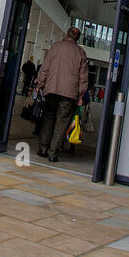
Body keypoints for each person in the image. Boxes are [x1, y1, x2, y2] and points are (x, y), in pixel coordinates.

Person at [35, 27, 88, 163]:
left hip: (52, 89)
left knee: (48, 117)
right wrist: (81, 95)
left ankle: (43, 148)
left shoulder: (55, 47)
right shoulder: (80, 53)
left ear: (66, 34)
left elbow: (45, 67)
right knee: (62, 122)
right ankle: (53, 153)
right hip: (69, 93)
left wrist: (40, 84)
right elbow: (83, 77)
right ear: (78, 38)